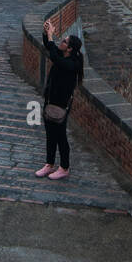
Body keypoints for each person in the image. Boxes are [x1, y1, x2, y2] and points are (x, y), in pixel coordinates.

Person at [35, 17, 83, 181]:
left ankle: (64, 167)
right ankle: (49, 164)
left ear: (69, 49)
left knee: (60, 136)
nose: (60, 42)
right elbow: (51, 49)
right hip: (51, 100)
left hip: (61, 104)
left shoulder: (71, 64)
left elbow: (55, 57)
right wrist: (46, 32)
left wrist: (50, 36)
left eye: (64, 41)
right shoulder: (63, 56)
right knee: (50, 134)